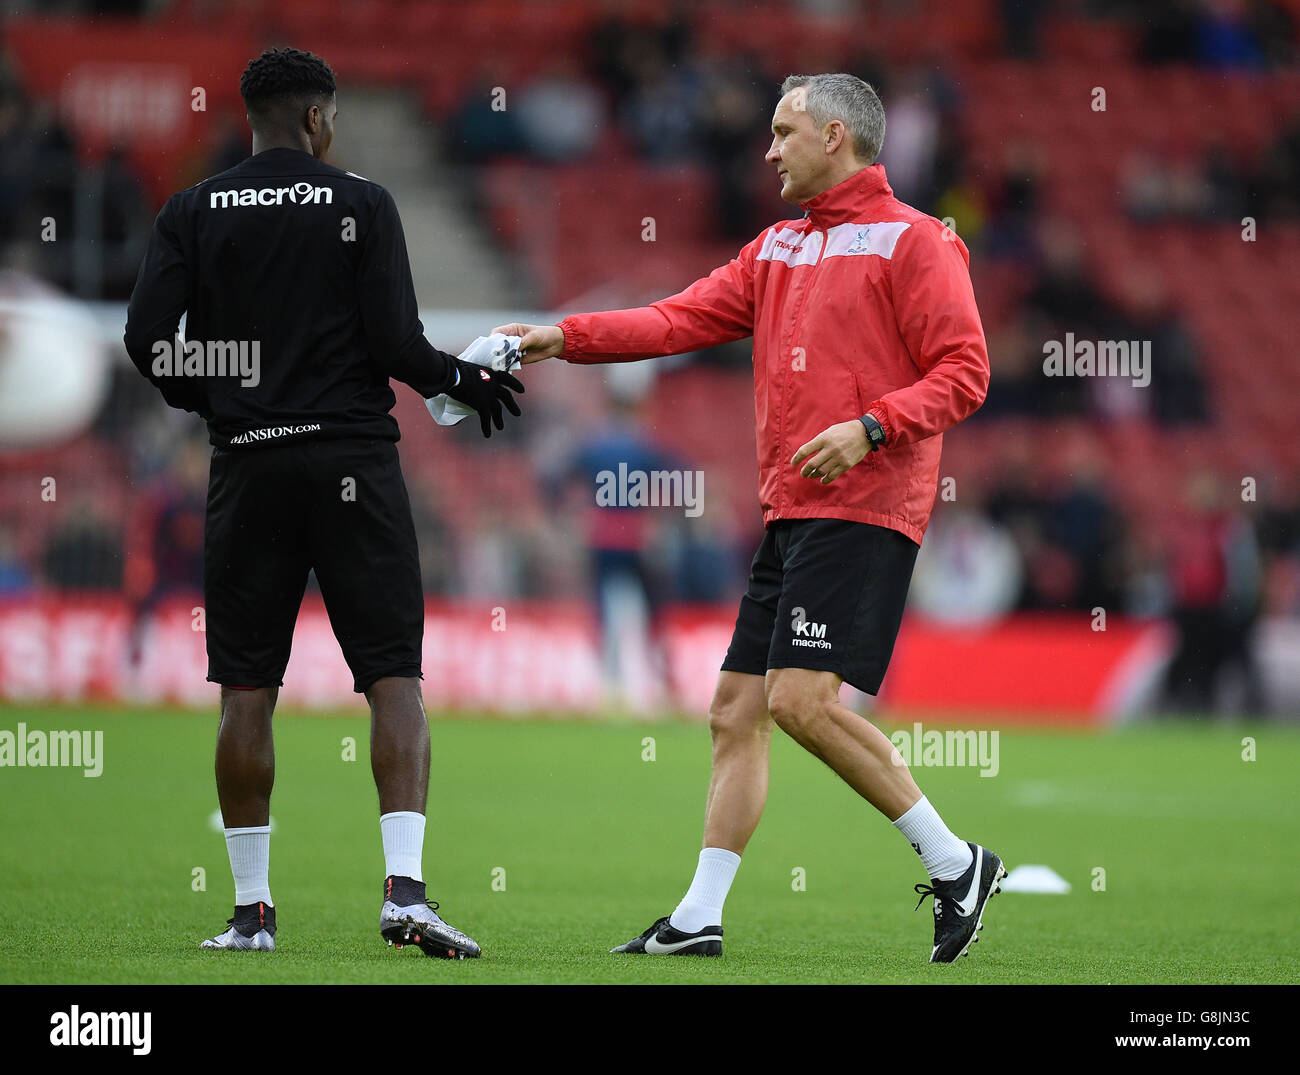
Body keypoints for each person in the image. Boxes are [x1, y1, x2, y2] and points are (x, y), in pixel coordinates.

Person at [496, 73, 1002, 963]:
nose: (766, 149)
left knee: (799, 701)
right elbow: (673, 321)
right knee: (737, 709)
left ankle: (956, 862)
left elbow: (966, 371)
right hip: (794, 507)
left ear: (836, 135)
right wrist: (563, 337)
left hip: (867, 504)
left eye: (783, 130)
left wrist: (871, 427)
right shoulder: (775, 248)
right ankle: (698, 916)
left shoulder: (918, 241)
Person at [123, 47, 523, 960]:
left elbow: (148, 341)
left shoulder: (191, 209)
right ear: (317, 120)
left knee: (247, 687)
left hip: (249, 464)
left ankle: (252, 913)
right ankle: (407, 895)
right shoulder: (361, 203)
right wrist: (460, 377)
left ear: (250, 118)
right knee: (392, 676)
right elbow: (395, 340)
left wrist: (222, 395)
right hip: (351, 464)